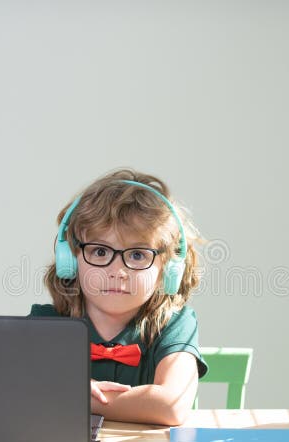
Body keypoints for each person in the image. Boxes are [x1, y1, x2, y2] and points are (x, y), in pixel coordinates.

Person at [29, 168, 206, 426]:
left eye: (137, 255)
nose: (117, 272)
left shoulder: (175, 325)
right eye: (100, 251)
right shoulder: (47, 323)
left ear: (168, 269)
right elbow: (19, 392)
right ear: (70, 259)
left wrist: (72, 394)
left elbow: (172, 404)